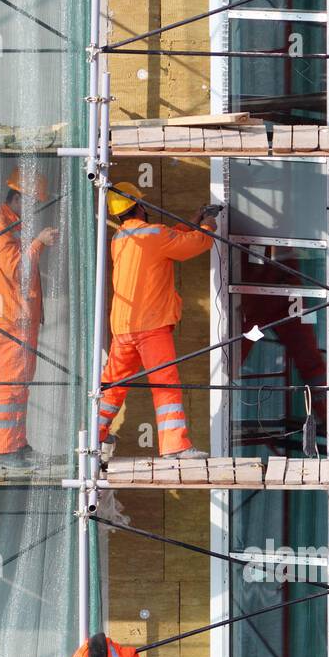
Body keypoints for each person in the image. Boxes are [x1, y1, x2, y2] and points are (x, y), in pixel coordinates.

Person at [99, 183, 216, 460]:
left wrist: (194, 220)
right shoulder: (155, 234)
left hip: (123, 328)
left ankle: (96, 436)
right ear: (139, 206)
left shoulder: (121, 238)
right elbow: (192, 245)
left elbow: (170, 241)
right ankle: (175, 446)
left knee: (113, 386)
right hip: (151, 325)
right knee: (165, 383)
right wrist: (208, 226)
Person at [0, 166, 58, 466]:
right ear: (17, 198)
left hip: (17, 316)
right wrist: (39, 243)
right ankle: (3, 450)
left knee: (19, 384)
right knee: (10, 383)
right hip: (11, 317)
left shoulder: (10, 224)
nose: (33, 209)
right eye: (32, 202)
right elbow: (16, 270)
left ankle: (16, 443)